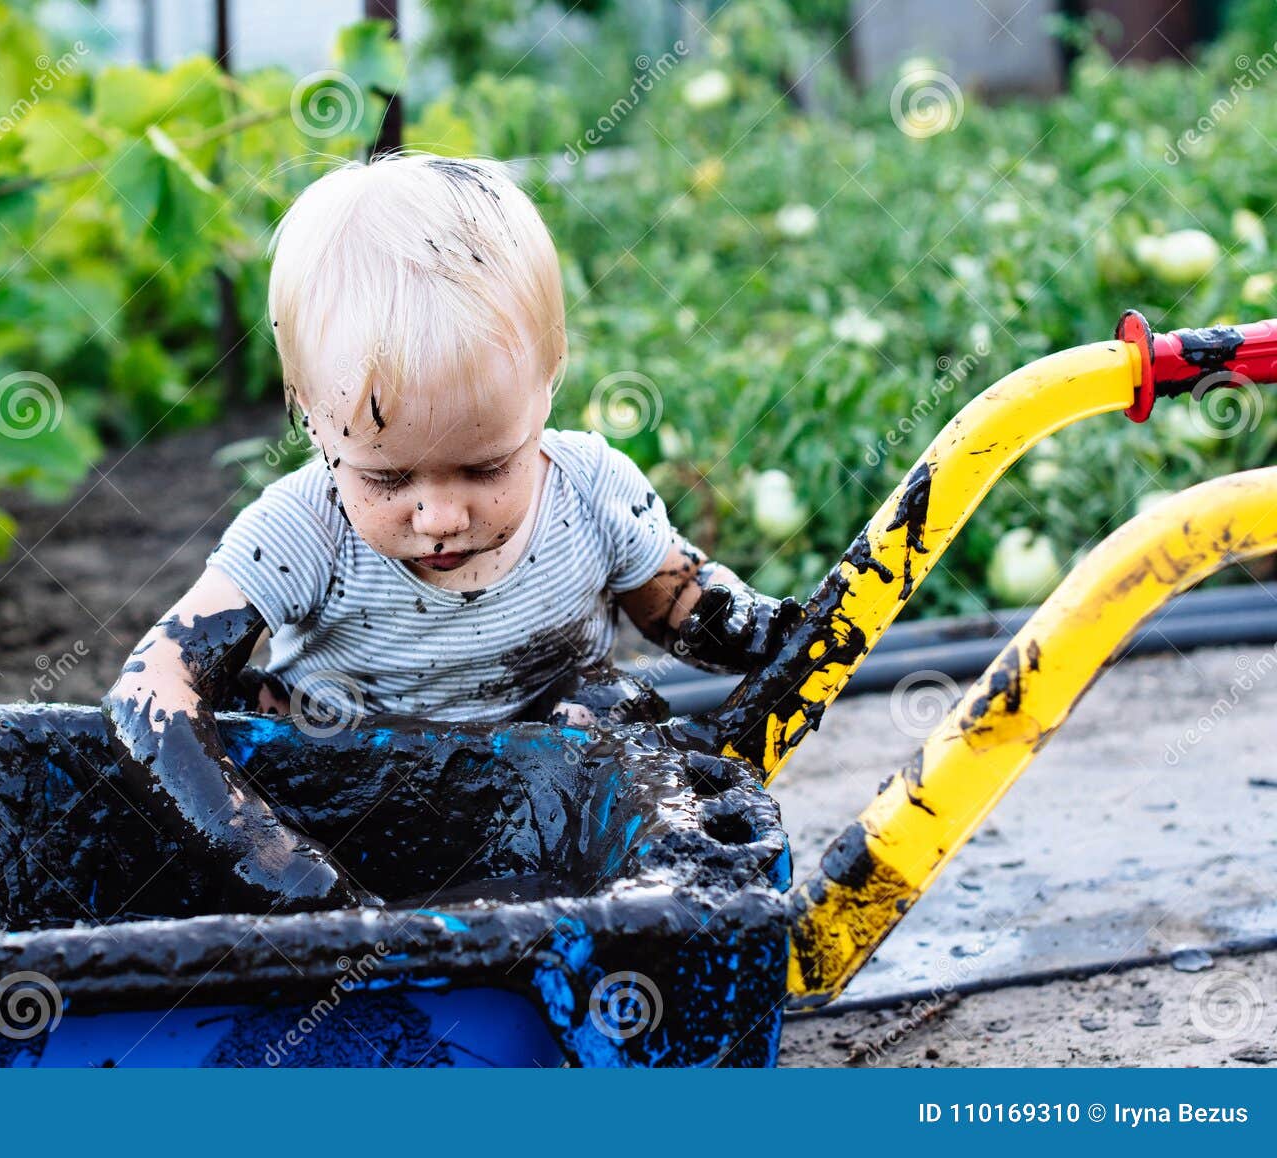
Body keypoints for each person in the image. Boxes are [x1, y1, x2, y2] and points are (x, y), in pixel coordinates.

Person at [102, 153, 801, 914]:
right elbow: (149, 687)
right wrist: (265, 855)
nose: (439, 516)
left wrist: (763, 627)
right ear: (308, 409)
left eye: (485, 466)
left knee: (611, 702)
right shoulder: (302, 528)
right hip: (350, 806)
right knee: (242, 714)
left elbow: (679, 604)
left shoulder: (591, 491)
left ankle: (594, 906)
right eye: (388, 480)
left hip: (535, 813)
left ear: (548, 379)